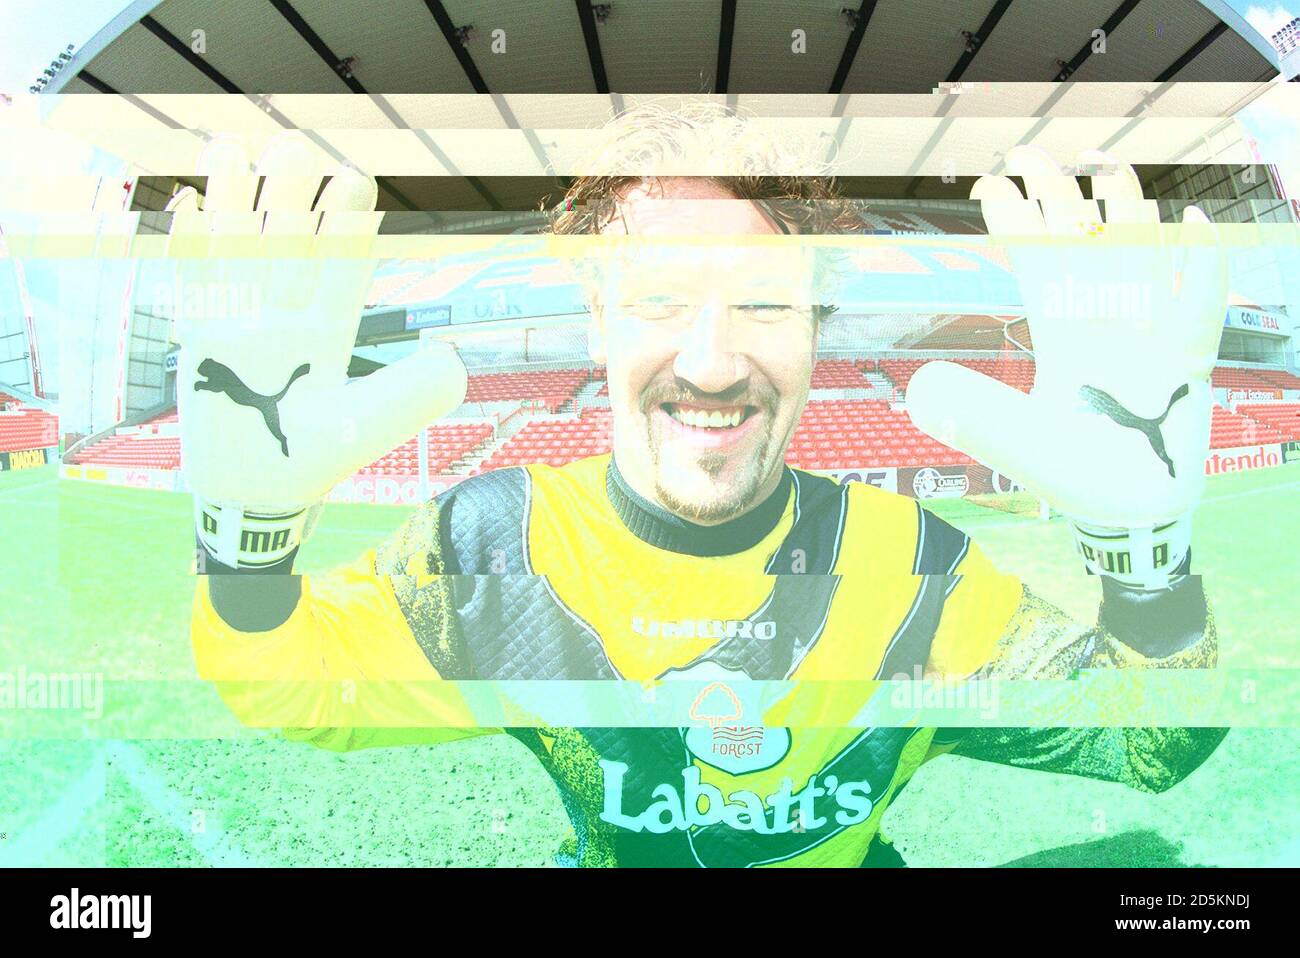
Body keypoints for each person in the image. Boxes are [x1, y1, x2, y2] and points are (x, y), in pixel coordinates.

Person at [186, 104, 1226, 868]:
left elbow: (1151, 744)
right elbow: (286, 681)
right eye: (660, 298)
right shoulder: (497, 548)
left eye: (766, 302)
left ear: (818, 332)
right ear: (595, 321)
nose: (714, 363)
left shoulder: (918, 579)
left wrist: (1146, 556)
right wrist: (248, 533)